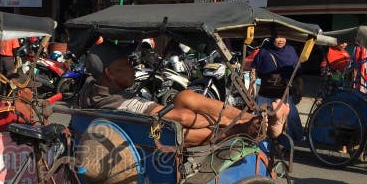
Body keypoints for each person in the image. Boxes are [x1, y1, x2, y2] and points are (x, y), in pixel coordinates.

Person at [85, 41, 289, 147]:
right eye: (125, 65)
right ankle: (249, 127)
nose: (132, 67)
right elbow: (182, 118)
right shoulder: (118, 103)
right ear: (109, 73)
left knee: (185, 97)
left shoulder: (95, 91)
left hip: (142, 133)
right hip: (150, 142)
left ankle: (253, 120)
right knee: (180, 127)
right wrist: (227, 122)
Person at [251, 33, 304, 142]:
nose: (281, 40)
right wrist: (251, 86)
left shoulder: (290, 51)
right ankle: (262, 142)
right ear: (272, 38)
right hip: (265, 93)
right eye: (278, 37)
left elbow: (297, 71)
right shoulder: (263, 51)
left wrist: (300, 86)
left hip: (284, 93)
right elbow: (254, 70)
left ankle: (293, 141)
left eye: (283, 37)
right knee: (261, 120)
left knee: (290, 118)